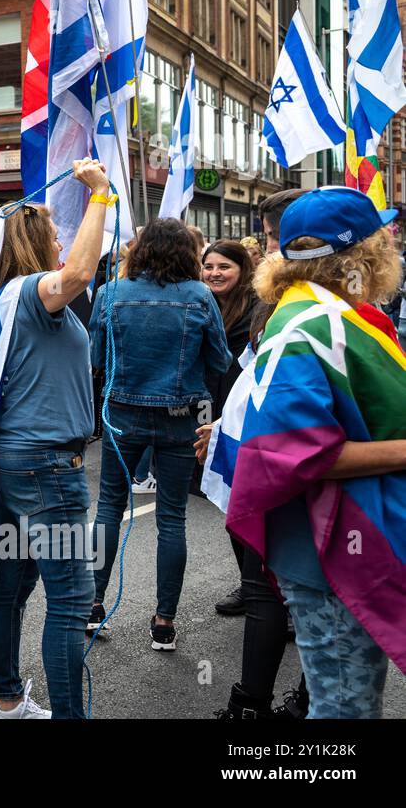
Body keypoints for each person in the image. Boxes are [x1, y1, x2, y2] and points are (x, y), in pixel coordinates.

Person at [229, 187, 405, 719]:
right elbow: (295, 454)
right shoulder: (310, 323)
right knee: (344, 709)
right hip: (333, 549)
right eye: (385, 235)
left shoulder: (332, 312)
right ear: (362, 254)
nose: (392, 242)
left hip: (347, 539)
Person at [0, 157, 113, 720]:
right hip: (46, 469)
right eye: (57, 235)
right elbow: (81, 275)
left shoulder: (6, 298)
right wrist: (101, 196)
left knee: (12, 587)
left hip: (22, 463)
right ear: (35, 244)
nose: (64, 244)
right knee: (70, 599)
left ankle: (6, 700)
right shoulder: (33, 292)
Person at [88, 217, 232, 651]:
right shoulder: (199, 295)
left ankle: (93, 606)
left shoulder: (111, 293)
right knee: (172, 517)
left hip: (123, 412)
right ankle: (164, 620)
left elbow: (96, 357)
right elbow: (221, 361)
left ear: (141, 249)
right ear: (188, 253)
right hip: (178, 414)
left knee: (109, 508)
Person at [198, 240, 259, 616]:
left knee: (247, 506)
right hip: (212, 411)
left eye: (224, 267)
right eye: (209, 267)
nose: (214, 273)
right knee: (231, 507)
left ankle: (269, 595)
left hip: (244, 416)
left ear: (243, 271)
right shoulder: (203, 304)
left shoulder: (257, 309)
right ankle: (253, 587)